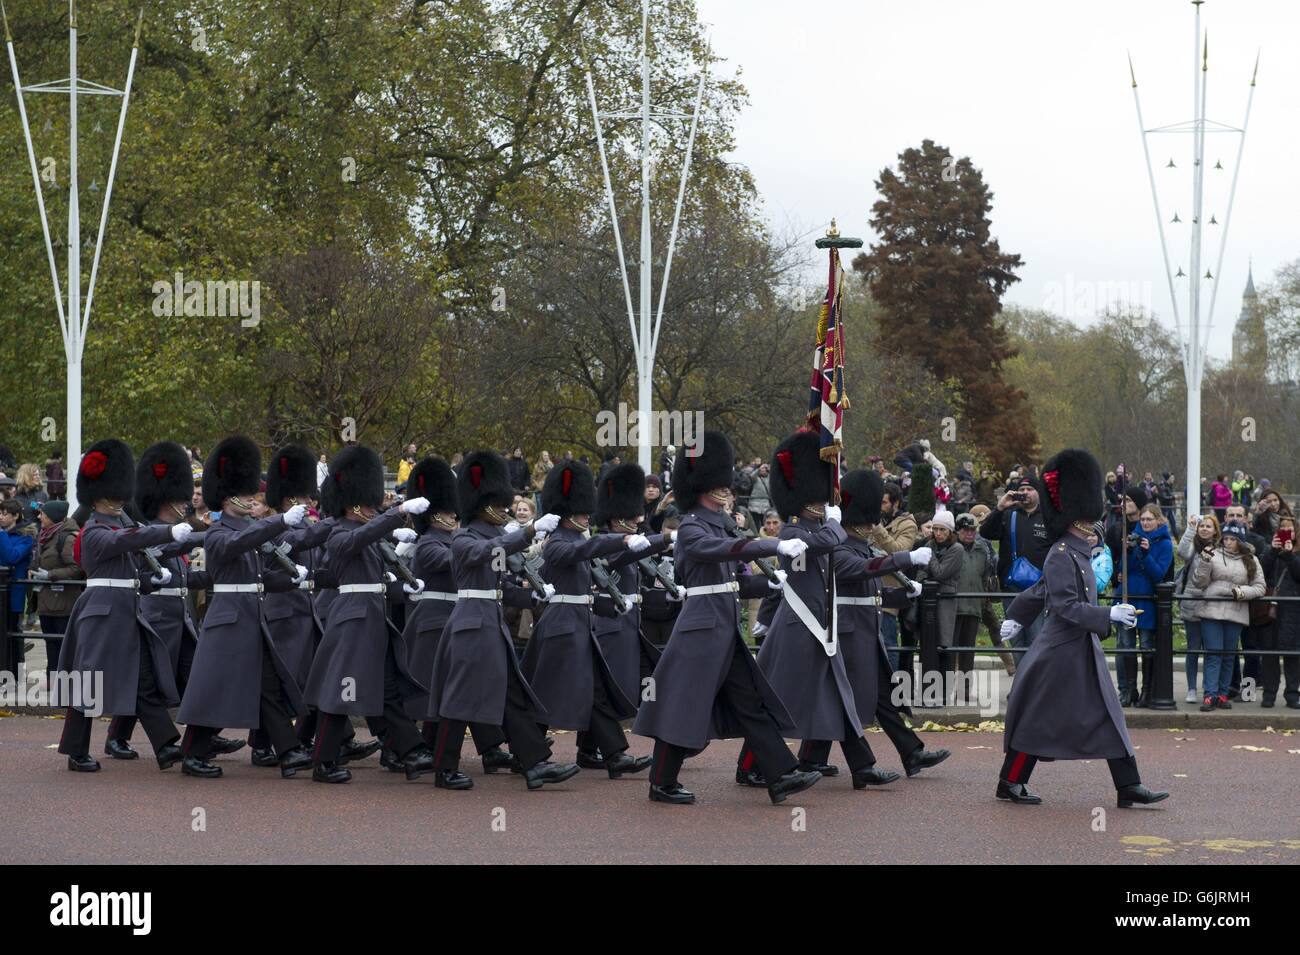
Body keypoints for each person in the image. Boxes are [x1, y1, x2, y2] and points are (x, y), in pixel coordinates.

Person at [634, 430, 821, 806]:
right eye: (718, 484)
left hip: (723, 627)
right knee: (683, 703)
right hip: (701, 628)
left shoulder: (721, 522)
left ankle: (780, 774)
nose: (725, 489)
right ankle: (660, 781)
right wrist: (773, 544)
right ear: (702, 485)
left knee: (750, 701)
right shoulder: (691, 526)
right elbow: (722, 551)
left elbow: (732, 582)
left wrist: (770, 587)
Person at [996, 448, 1168, 808]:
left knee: (1109, 713)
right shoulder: (1062, 553)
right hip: (1060, 653)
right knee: (1038, 720)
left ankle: (1128, 785)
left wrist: (1017, 614)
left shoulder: (1076, 549)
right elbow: (1063, 604)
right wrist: (1109, 616)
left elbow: (1042, 590)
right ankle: (1010, 781)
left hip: (1081, 649)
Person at [425, 450, 580, 790]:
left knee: (512, 693)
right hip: (470, 625)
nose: (507, 508)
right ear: (484, 504)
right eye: (500, 502)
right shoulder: (464, 537)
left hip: (489, 623)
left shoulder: (487, 536)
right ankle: (444, 768)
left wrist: (534, 596)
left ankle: (535, 764)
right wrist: (528, 531)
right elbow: (486, 554)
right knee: (459, 697)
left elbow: (502, 588)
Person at [177, 436, 315, 779]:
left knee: (267, 684)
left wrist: (294, 578)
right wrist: (280, 522)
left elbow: (262, 576)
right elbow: (239, 544)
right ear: (227, 497)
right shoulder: (219, 531)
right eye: (247, 493)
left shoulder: (249, 528)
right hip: (228, 617)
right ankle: (193, 753)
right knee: (215, 686)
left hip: (251, 615)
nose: (253, 498)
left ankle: (288, 750)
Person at [302, 445, 435, 784]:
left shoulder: (368, 534)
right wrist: (398, 511)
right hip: (352, 620)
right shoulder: (338, 534)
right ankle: (323, 761)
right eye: (370, 504)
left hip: (373, 617)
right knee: (342, 692)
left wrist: (404, 588)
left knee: (387, 689)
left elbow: (375, 579)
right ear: (353, 502)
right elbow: (358, 539)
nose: (374, 509)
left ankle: (412, 751)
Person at [55, 440, 189, 774]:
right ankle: (75, 751)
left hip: (128, 611)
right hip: (101, 612)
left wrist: (151, 578)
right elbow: (124, 543)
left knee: (143, 680)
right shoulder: (95, 531)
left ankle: (165, 744)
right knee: (89, 683)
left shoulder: (118, 525)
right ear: (96, 497)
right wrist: (167, 530)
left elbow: (134, 565)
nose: (119, 500)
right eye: (112, 495)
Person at [521, 460, 653, 779]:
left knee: (593, 691)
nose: (586, 515)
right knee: (543, 691)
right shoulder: (558, 545)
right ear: (567, 513)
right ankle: (527, 752)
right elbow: (592, 549)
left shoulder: (578, 539)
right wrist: (621, 539)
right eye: (581, 512)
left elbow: (599, 553)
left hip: (579, 624)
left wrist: (660, 540)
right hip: (561, 625)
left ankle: (611, 753)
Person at [586, 463, 673, 766]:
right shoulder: (603, 542)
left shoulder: (628, 538)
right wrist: (664, 538)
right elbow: (623, 555)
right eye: (630, 516)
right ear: (614, 517)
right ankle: (614, 752)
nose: (636, 521)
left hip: (630, 624)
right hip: (611, 625)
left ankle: (588, 750)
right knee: (608, 689)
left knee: (644, 682)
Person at [1192, 521, 1265, 711]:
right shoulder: (1212, 554)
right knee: (1214, 653)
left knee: (1228, 655)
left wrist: (1241, 592)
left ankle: (1223, 694)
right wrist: (1204, 562)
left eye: (1233, 539)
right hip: (1212, 608)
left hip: (1236, 610)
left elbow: (1260, 587)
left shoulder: (1251, 559)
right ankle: (1210, 695)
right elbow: (1199, 583)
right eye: (1226, 538)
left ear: (1240, 540)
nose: (1228, 542)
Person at [1113, 503, 1174, 707]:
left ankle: (1147, 690)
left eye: (1149, 519)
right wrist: (1129, 551)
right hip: (1128, 597)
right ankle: (1129, 690)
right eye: (1143, 519)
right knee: (1127, 645)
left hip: (1148, 599)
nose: (1146, 523)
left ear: (1158, 521)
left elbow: (1158, 573)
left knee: (1147, 645)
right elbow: (1122, 569)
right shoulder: (1132, 537)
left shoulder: (1164, 544)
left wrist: (1146, 554)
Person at [980, 476, 1049, 647]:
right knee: (1016, 639)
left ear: (1039, 493)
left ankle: (1035, 674)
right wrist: (999, 508)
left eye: (1030, 489)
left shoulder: (1048, 518)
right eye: (1022, 490)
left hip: (1038, 589)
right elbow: (986, 532)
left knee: (1036, 637)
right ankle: (1021, 674)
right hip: (1011, 586)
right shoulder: (1008, 515)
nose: (1025, 493)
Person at [869, 482, 919, 672]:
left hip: (890, 591)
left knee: (889, 643)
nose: (879, 507)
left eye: (883, 502)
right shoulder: (874, 519)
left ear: (896, 503)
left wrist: (877, 528)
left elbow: (899, 552)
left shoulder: (907, 525)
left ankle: (892, 690)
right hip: (869, 587)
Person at [915, 510, 964, 697]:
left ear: (949, 531)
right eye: (935, 529)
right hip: (929, 598)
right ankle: (928, 689)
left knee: (943, 645)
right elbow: (921, 572)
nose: (937, 533)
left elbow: (940, 572)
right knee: (927, 643)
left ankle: (943, 690)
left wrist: (930, 556)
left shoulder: (956, 549)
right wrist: (927, 569)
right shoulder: (930, 545)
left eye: (942, 529)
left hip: (945, 600)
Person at [28, 499, 81, 674]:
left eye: (43, 514)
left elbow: (76, 568)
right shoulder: (44, 534)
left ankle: (64, 680)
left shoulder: (67, 538)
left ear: (53, 517)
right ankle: (52, 677)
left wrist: (50, 575)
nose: (39, 516)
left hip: (63, 602)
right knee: (50, 641)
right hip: (45, 600)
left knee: (62, 642)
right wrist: (33, 569)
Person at [952, 511, 995, 702]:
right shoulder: (952, 549)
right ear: (958, 530)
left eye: (972, 530)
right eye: (965, 530)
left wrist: (984, 599)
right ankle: (944, 688)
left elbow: (986, 575)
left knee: (968, 651)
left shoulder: (981, 550)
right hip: (953, 606)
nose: (969, 533)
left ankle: (965, 690)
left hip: (974, 606)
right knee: (950, 650)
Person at [1176, 513, 1219, 704]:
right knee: (1193, 648)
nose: (1204, 529)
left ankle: (1211, 689)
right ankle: (1192, 688)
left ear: (1215, 530)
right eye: (1202, 526)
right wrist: (1190, 528)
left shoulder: (1221, 548)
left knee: (1212, 649)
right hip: (1192, 602)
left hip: (1213, 603)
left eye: (1209, 526)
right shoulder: (1193, 546)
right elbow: (1182, 552)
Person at [1261, 516, 1300, 709]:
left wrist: (1290, 555)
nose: (1286, 531)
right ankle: (1269, 695)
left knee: (1293, 654)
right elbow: (1260, 571)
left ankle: (1292, 695)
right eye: (1282, 528)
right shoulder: (1271, 550)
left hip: (1292, 610)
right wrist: (1273, 551)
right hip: (1270, 608)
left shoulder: (1297, 553)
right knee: (1269, 654)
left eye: (1289, 528)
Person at [0, 499, 35, 668]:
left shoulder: (25, 537)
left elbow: (12, 557)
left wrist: (1, 534)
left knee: (12, 634)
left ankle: (15, 673)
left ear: (16, 516)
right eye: (0, 513)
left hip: (13, 594)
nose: (1, 517)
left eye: (5, 514)